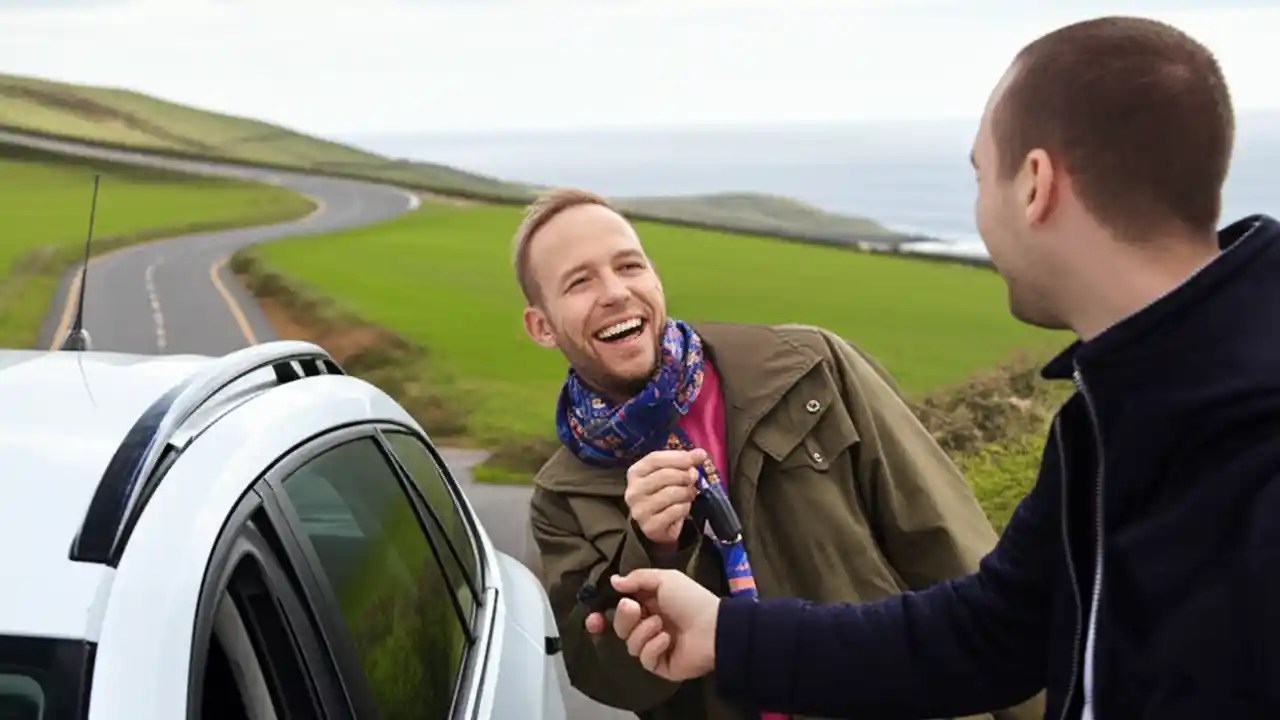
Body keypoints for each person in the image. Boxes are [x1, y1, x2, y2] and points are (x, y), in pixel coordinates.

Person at [593, 14, 1280, 720]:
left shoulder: (1249, 449)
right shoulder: (1111, 414)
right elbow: (992, 634)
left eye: (983, 175)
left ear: (1036, 184)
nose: (980, 208)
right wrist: (729, 635)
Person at [514, 187, 1044, 720]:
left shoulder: (811, 368)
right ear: (541, 326)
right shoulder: (563, 496)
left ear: (655, 278)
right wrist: (652, 550)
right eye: (580, 281)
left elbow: (950, 549)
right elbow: (608, 681)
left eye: (629, 266)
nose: (615, 292)